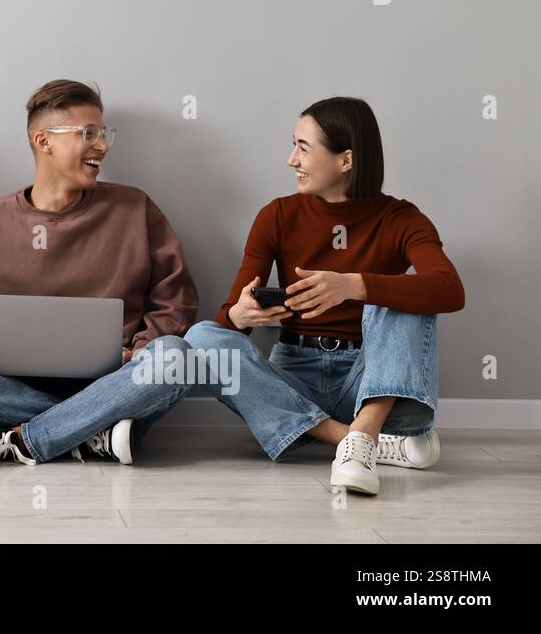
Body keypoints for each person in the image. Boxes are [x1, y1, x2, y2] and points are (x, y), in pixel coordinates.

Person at [185, 97, 465, 495]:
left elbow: (450, 289)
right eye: (293, 145)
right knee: (200, 339)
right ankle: (353, 440)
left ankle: (361, 430)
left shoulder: (401, 218)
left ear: (346, 160)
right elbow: (227, 322)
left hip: (370, 383)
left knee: (407, 298)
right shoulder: (277, 215)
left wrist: (354, 285)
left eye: (303, 148)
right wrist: (241, 316)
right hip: (293, 375)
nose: (290, 160)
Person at [0, 79, 198, 467]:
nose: (103, 145)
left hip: (117, 382)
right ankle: (92, 434)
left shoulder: (135, 207)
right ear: (43, 141)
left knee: (173, 356)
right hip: (14, 385)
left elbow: (175, 298)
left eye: (104, 133)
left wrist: (140, 351)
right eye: (89, 133)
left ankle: (28, 437)